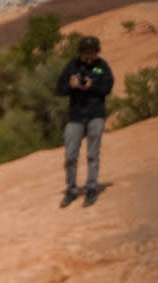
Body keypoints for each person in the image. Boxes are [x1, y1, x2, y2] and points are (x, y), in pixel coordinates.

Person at [56, 36, 114, 205]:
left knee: (92, 154)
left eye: (92, 53)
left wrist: (92, 86)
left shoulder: (102, 66)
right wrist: (71, 86)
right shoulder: (72, 66)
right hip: (75, 116)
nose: (89, 57)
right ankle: (71, 189)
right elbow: (59, 88)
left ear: (97, 52)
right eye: (85, 53)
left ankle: (91, 188)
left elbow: (108, 88)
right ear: (80, 52)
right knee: (70, 155)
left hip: (95, 115)